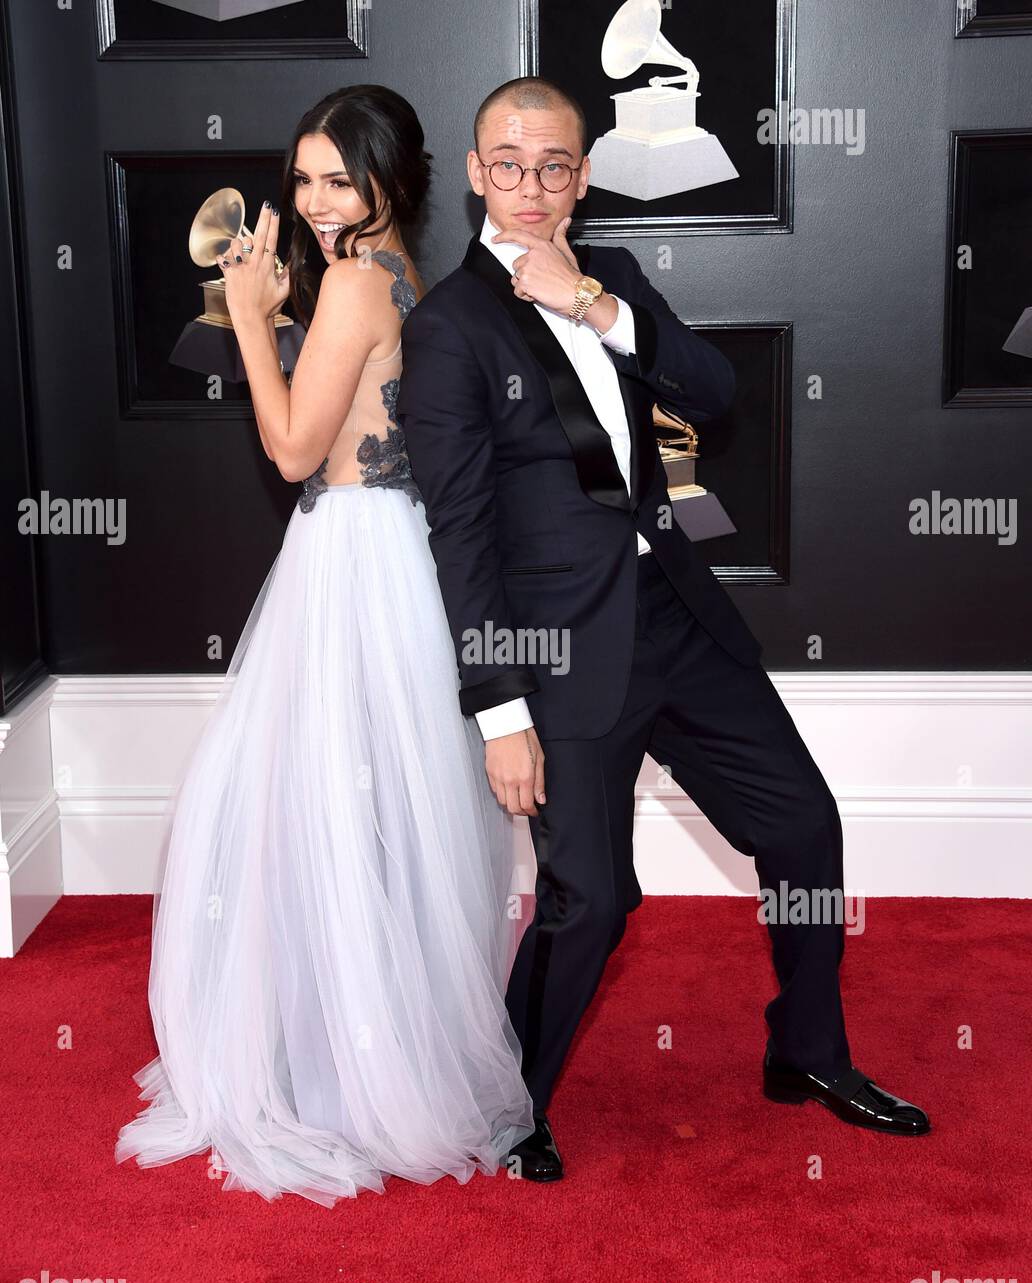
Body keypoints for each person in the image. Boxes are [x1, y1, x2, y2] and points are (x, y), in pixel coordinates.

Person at [396, 77, 931, 1183]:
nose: (532, 185)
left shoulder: (617, 277)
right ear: (476, 172)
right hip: (557, 654)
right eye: (509, 163)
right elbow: (460, 530)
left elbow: (716, 389)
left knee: (804, 827)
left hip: (678, 617)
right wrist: (499, 708)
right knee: (591, 898)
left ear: (584, 176)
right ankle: (511, 1103)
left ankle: (811, 1051)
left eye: (555, 165)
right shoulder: (447, 326)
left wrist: (594, 303)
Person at [115, 85, 535, 1207]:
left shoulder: (351, 282)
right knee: (373, 820)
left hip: (348, 559)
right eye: (300, 178)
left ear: (391, 182)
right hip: (387, 559)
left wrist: (250, 315)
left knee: (304, 810)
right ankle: (368, 1053)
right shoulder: (400, 278)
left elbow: (296, 448)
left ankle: (335, 1072)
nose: (309, 200)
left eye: (336, 179)